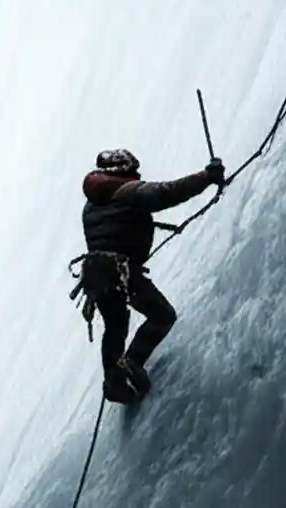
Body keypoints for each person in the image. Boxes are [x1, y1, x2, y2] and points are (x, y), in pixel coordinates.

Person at [78, 148, 225, 403]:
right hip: (121, 272)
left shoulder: (92, 204)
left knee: (115, 326)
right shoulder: (128, 192)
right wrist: (206, 177)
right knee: (161, 315)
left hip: (96, 275)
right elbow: (166, 193)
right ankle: (131, 363)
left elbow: (117, 224)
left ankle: (115, 383)